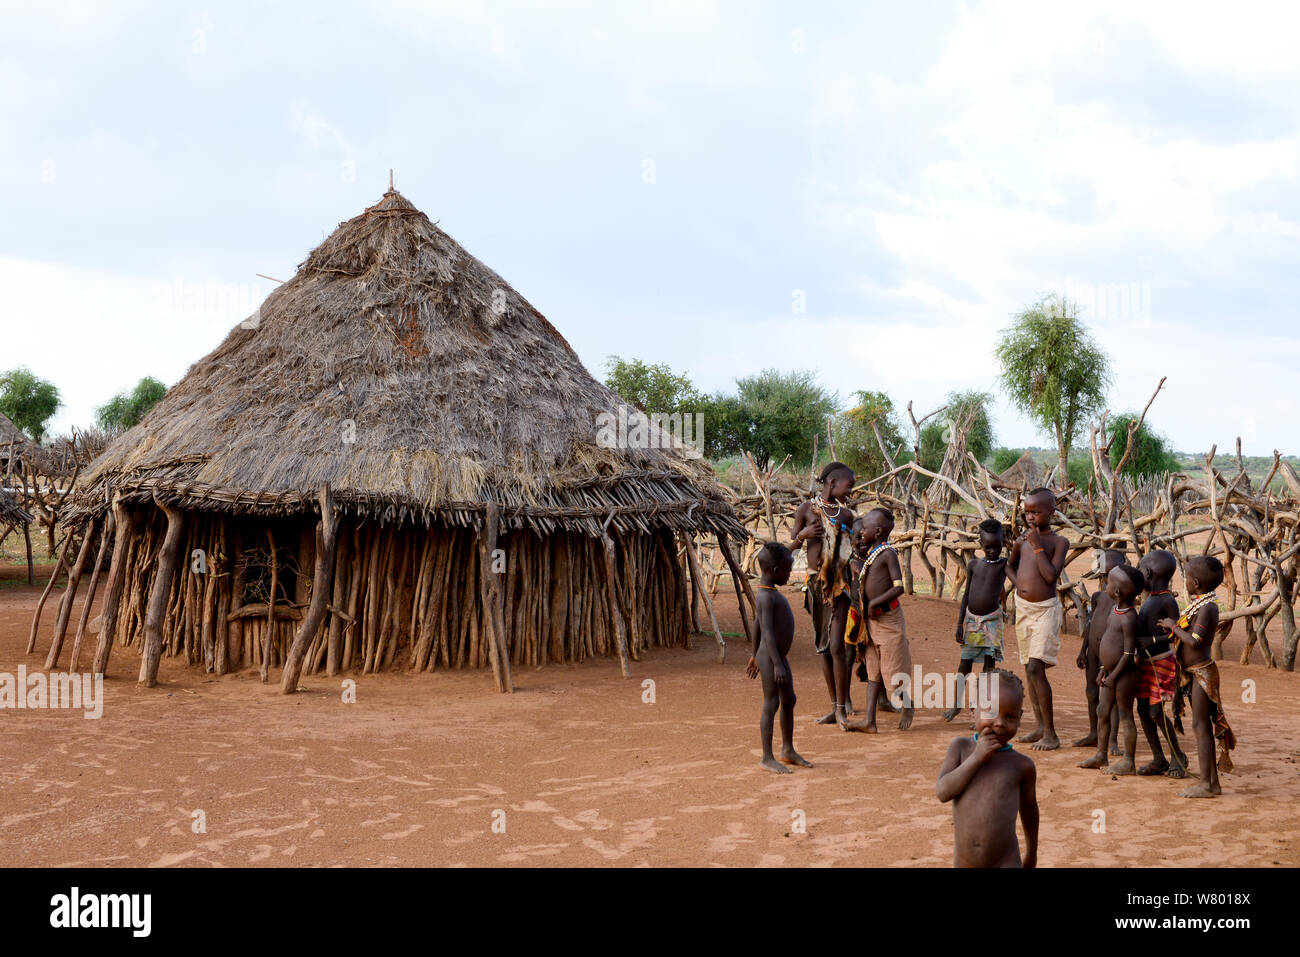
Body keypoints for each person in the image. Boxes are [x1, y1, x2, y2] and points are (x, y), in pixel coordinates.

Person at [936, 669, 1038, 868]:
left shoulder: (1021, 766)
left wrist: (1032, 853)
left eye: (1010, 717)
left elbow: (1030, 811)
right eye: (991, 712)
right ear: (973, 710)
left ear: (1019, 717)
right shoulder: (960, 748)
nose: (999, 723)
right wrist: (977, 756)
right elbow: (943, 791)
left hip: (1005, 861)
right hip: (966, 863)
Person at [1158, 556, 1236, 798]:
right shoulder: (1202, 605)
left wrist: (1173, 627)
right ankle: (1212, 782)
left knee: (1200, 727)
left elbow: (1194, 640)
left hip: (1202, 673)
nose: (1185, 582)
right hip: (1195, 672)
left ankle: (1206, 784)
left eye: (1187, 578)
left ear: (1196, 582)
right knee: (1201, 726)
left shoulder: (1207, 608)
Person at [790, 462, 857, 729]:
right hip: (815, 585)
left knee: (837, 646)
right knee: (823, 647)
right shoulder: (806, 510)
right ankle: (833, 707)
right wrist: (804, 534)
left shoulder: (846, 516)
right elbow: (791, 546)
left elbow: (851, 550)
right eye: (848, 485)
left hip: (839, 585)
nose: (851, 490)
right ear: (832, 483)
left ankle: (841, 709)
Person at [1006, 487, 1068, 751]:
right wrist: (1018, 583)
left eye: (1036, 512)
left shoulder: (1058, 542)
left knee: (1035, 668)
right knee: (1028, 670)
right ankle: (1040, 726)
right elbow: (1008, 565)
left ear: (1051, 513)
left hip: (1045, 610)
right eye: (1027, 512)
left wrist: (1037, 546)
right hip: (1023, 610)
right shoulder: (1021, 542)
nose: (1030, 517)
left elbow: (1051, 576)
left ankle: (1051, 733)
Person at [746, 542, 813, 774]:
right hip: (772, 657)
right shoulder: (766, 596)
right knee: (771, 702)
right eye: (787, 570)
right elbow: (766, 631)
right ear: (775, 571)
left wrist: (754, 654)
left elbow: (757, 625)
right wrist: (775, 663)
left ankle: (787, 750)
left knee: (789, 699)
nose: (790, 574)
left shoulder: (769, 594)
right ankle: (767, 757)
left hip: (773, 656)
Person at [845, 508, 914, 732]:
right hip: (871, 623)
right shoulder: (873, 553)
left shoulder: (888, 554)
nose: (861, 531)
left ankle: (907, 704)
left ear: (877, 531)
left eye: (864, 528)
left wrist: (874, 603)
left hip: (888, 620)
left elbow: (899, 587)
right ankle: (870, 721)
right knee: (873, 670)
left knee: (893, 671)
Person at [1078, 564, 1144, 773]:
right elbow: (1107, 641)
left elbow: (1128, 653)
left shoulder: (1129, 618)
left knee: (1125, 714)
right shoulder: (1115, 611)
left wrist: (1114, 675)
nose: (1104, 584)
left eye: (1108, 582)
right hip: (1110, 673)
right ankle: (1101, 755)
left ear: (1117, 591)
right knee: (1102, 710)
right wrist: (1103, 669)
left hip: (1124, 675)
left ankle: (1129, 761)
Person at [942, 518, 1009, 723]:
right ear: (980, 545)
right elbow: (966, 595)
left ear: (1003, 543)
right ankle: (956, 705)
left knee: (988, 670)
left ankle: (982, 713)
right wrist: (959, 624)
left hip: (991, 622)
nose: (992, 551)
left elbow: (1016, 557)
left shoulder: (1004, 565)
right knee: (964, 665)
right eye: (988, 547)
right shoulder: (973, 565)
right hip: (971, 621)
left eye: (997, 546)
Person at [1135, 549, 1188, 777]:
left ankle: (1178, 755)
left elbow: (1175, 634)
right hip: (1146, 663)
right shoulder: (1152, 600)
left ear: (1148, 572)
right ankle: (1159, 758)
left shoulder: (1167, 601)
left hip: (1161, 662)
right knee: (1143, 710)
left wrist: (1151, 640)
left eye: (1140, 570)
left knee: (1156, 712)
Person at [1073, 549, 1125, 753]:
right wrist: (1083, 650)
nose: (1105, 580)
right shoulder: (1097, 597)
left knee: (1110, 699)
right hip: (1094, 651)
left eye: (1108, 576)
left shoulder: (1122, 602)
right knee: (1090, 692)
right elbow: (1091, 624)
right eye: (1103, 576)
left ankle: (1111, 740)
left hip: (1111, 654)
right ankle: (1094, 733)